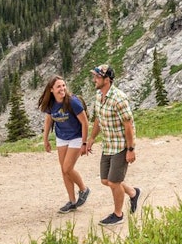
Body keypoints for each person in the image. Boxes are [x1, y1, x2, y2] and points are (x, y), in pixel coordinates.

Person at [82, 64, 141, 225]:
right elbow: (98, 119)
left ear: (107, 80)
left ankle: (118, 215)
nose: (94, 79)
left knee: (114, 182)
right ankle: (133, 192)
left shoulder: (119, 98)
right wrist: (92, 138)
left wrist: (130, 149)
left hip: (121, 145)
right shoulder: (98, 96)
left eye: (97, 77)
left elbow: (128, 124)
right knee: (106, 180)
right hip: (108, 144)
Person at [36, 76, 90, 213]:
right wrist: (46, 139)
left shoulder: (73, 102)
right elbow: (48, 120)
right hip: (62, 137)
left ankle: (84, 189)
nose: (62, 89)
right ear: (51, 89)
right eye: (59, 86)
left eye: (64, 85)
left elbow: (85, 122)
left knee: (67, 168)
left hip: (76, 137)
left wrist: (84, 142)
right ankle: (72, 202)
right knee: (64, 170)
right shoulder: (50, 103)